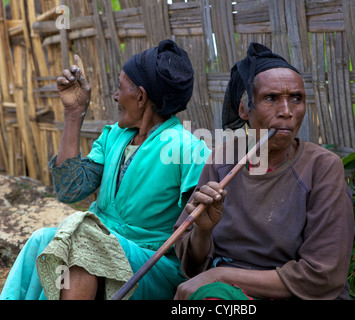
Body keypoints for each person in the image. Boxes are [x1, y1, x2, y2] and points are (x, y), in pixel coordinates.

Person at [0, 39, 210, 300]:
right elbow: (69, 190)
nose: (115, 97)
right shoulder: (116, 136)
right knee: (41, 240)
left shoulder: (187, 148)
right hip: (97, 246)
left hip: (149, 266)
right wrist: (74, 113)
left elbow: (199, 231)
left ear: (141, 97)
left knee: (86, 241)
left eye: (119, 89)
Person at [173, 42, 354, 300]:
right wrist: (203, 230)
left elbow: (322, 276)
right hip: (222, 291)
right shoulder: (223, 159)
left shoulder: (323, 167)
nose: (287, 112)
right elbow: (191, 264)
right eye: (271, 98)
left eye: (296, 99)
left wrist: (221, 275)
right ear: (244, 110)